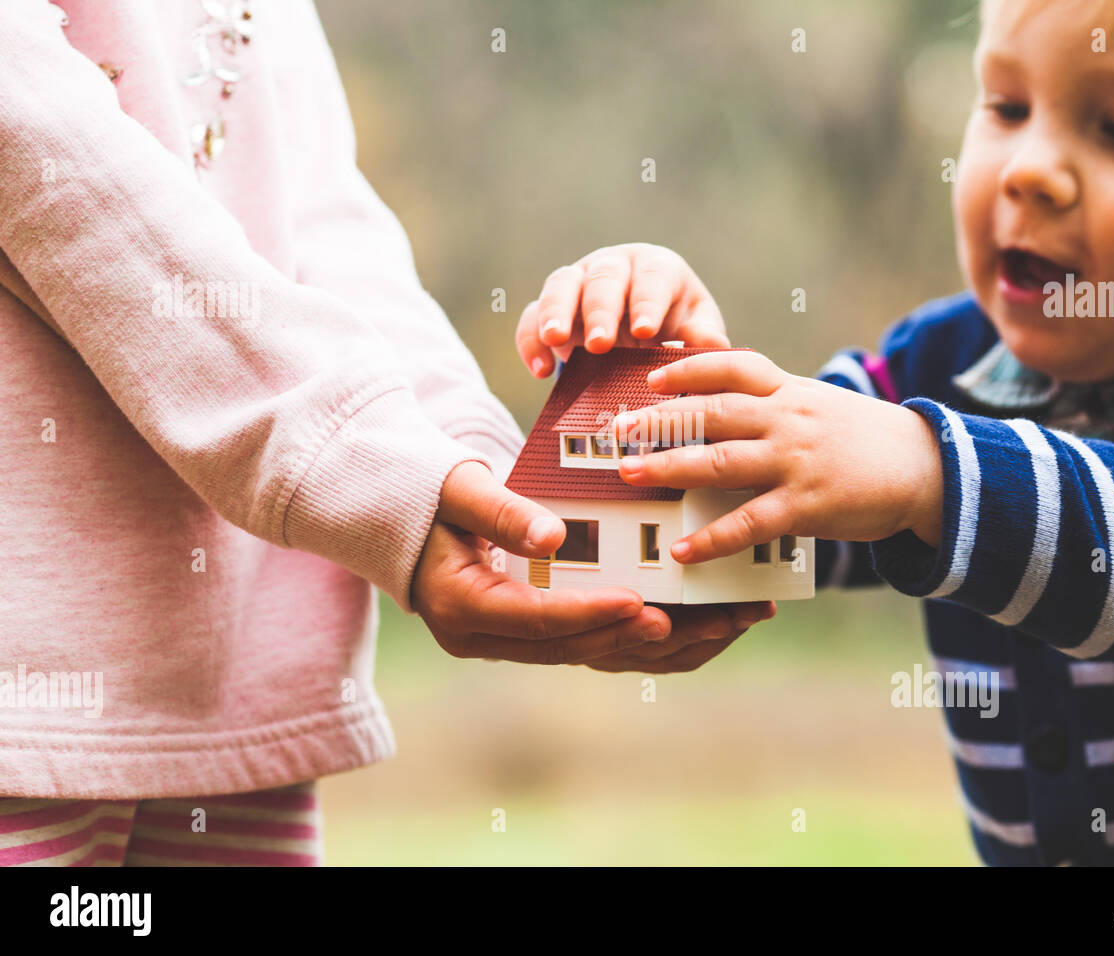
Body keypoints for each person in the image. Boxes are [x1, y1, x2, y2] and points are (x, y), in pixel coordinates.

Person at [515, 0, 1114, 865]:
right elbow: (794, 472)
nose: (1030, 168)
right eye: (1005, 107)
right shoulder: (940, 363)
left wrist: (928, 473)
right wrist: (665, 364)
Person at [0, 0, 770, 867]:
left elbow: (321, 218)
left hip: (248, 690)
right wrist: (360, 467)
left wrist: (469, 472)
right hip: (24, 701)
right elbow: (38, 144)